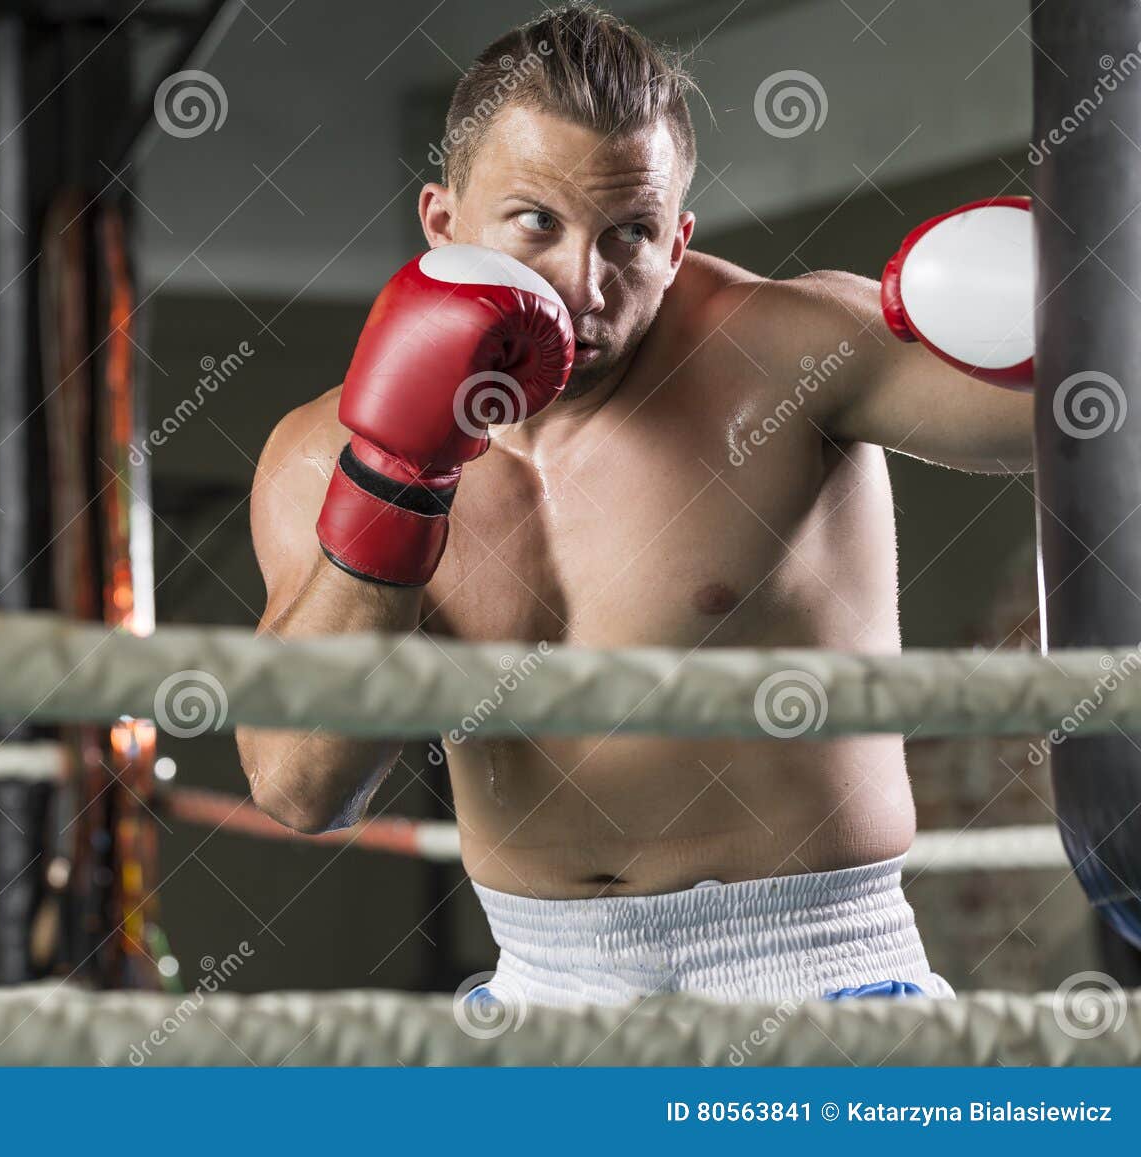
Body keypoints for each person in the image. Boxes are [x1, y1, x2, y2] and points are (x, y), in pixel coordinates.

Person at [234, 3, 1034, 1006]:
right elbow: (302, 789)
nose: (583, 284)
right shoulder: (324, 453)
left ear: (678, 236)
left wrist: (1091, 298)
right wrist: (398, 479)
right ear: (442, 221)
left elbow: (1083, 425)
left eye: (629, 235)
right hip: (540, 995)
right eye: (536, 222)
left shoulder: (786, 353)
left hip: (815, 976)